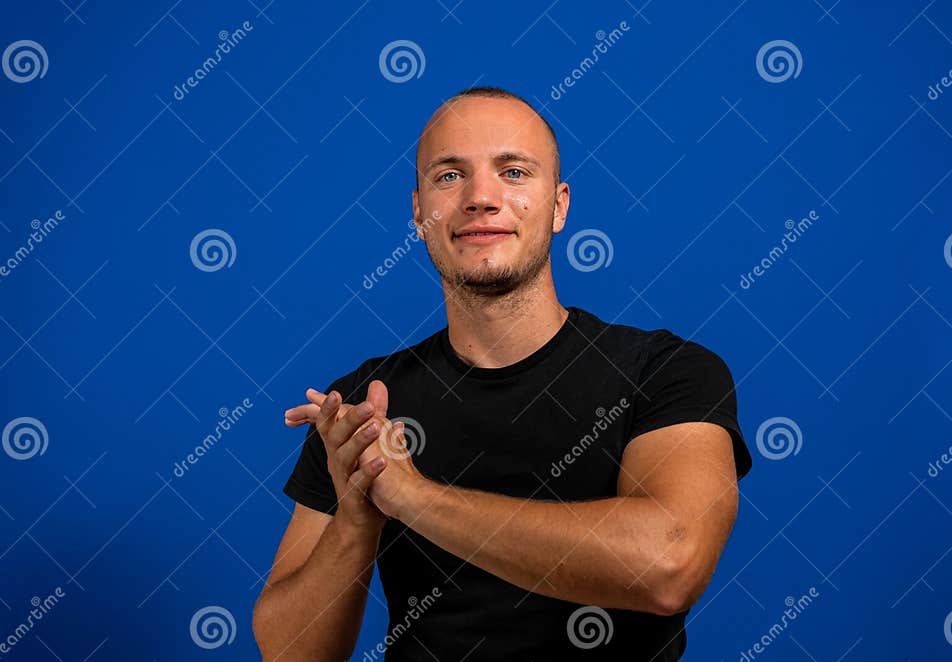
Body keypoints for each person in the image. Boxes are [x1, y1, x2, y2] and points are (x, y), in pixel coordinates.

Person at [252, 86, 753, 661]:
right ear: (418, 212)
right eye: (449, 176)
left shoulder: (666, 373)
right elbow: (289, 653)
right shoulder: (365, 409)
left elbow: (669, 565)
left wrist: (412, 497)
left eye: (513, 172)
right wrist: (358, 517)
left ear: (559, 206)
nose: (480, 198)